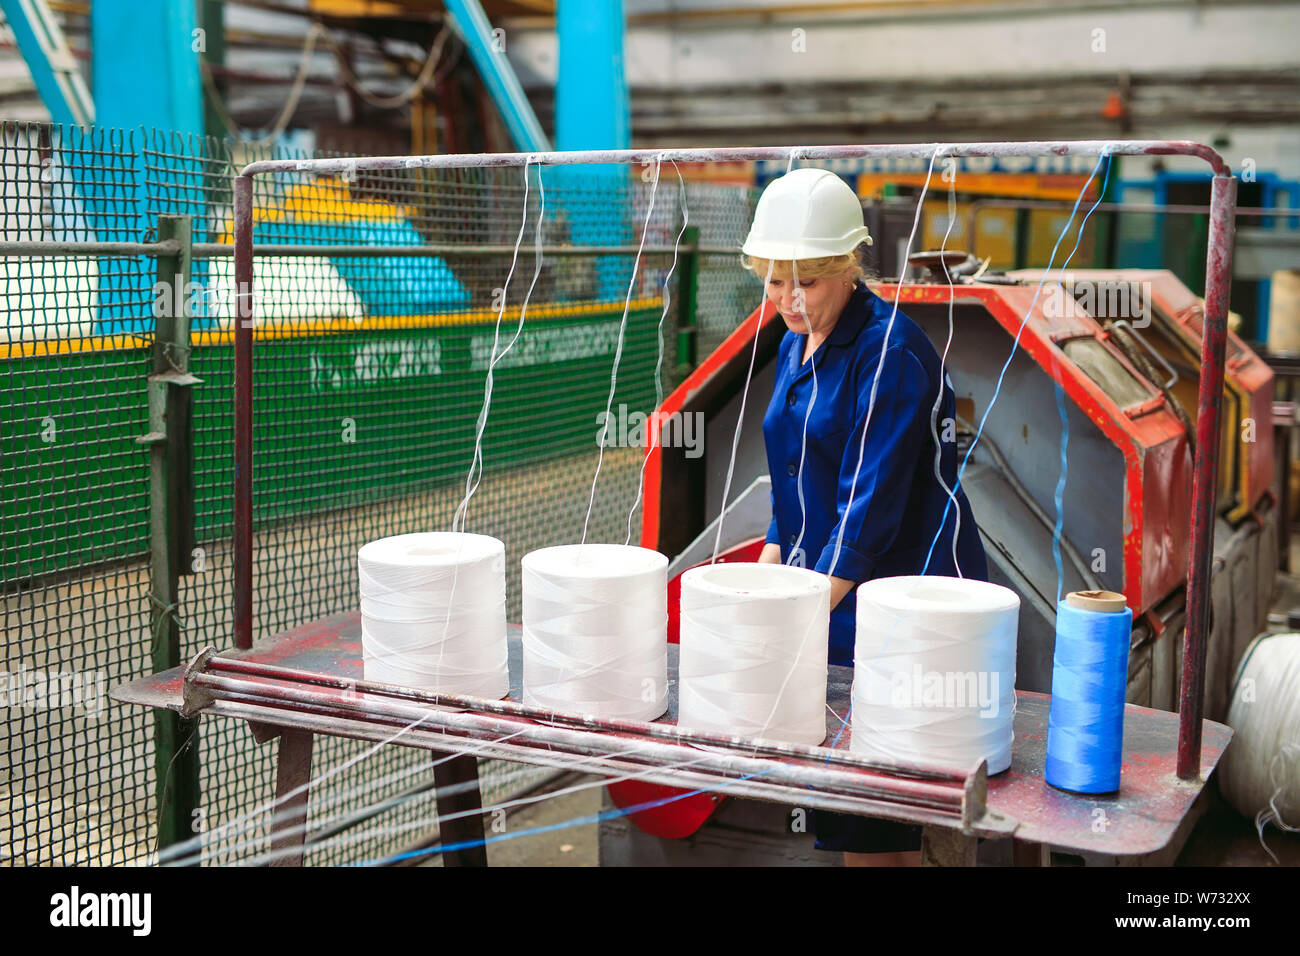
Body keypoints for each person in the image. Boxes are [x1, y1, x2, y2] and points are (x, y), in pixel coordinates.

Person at [742, 168, 989, 866]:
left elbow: (865, 510)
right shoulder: (799, 338)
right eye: (774, 281)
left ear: (847, 267)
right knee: (843, 801)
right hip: (828, 600)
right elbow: (795, 473)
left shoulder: (889, 352)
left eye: (808, 281)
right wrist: (765, 573)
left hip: (897, 601)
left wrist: (789, 616)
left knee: (878, 816)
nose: (789, 299)